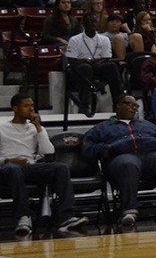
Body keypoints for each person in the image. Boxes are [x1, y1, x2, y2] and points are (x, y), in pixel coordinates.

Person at [83, 95, 156, 226]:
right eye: (130, 104)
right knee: (129, 164)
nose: (133, 108)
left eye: (136, 106)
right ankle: (129, 212)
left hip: (150, 155)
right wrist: (107, 148)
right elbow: (87, 148)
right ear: (118, 105)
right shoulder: (102, 127)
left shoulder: (146, 125)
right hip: (120, 156)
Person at [0, 95, 91, 236]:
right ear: (15, 108)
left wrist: (38, 127)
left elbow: (49, 152)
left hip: (29, 167)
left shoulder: (34, 128)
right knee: (13, 169)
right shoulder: (2, 128)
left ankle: (65, 217)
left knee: (60, 168)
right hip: (6, 168)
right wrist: (8, 161)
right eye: (26, 106)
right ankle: (24, 217)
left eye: (32, 106)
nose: (31, 109)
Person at [64, 16, 124, 116]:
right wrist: (86, 61)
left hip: (97, 66)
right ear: (84, 24)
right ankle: (85, 104)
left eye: (95, 22)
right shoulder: (74, 40)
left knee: (112, 66)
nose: (93, 24)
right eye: (90, 21)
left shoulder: (104, 39)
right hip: (79, 69)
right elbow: (72, 61)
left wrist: (91, 62)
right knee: (85, 68)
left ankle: (119, 102)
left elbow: (106, 58)